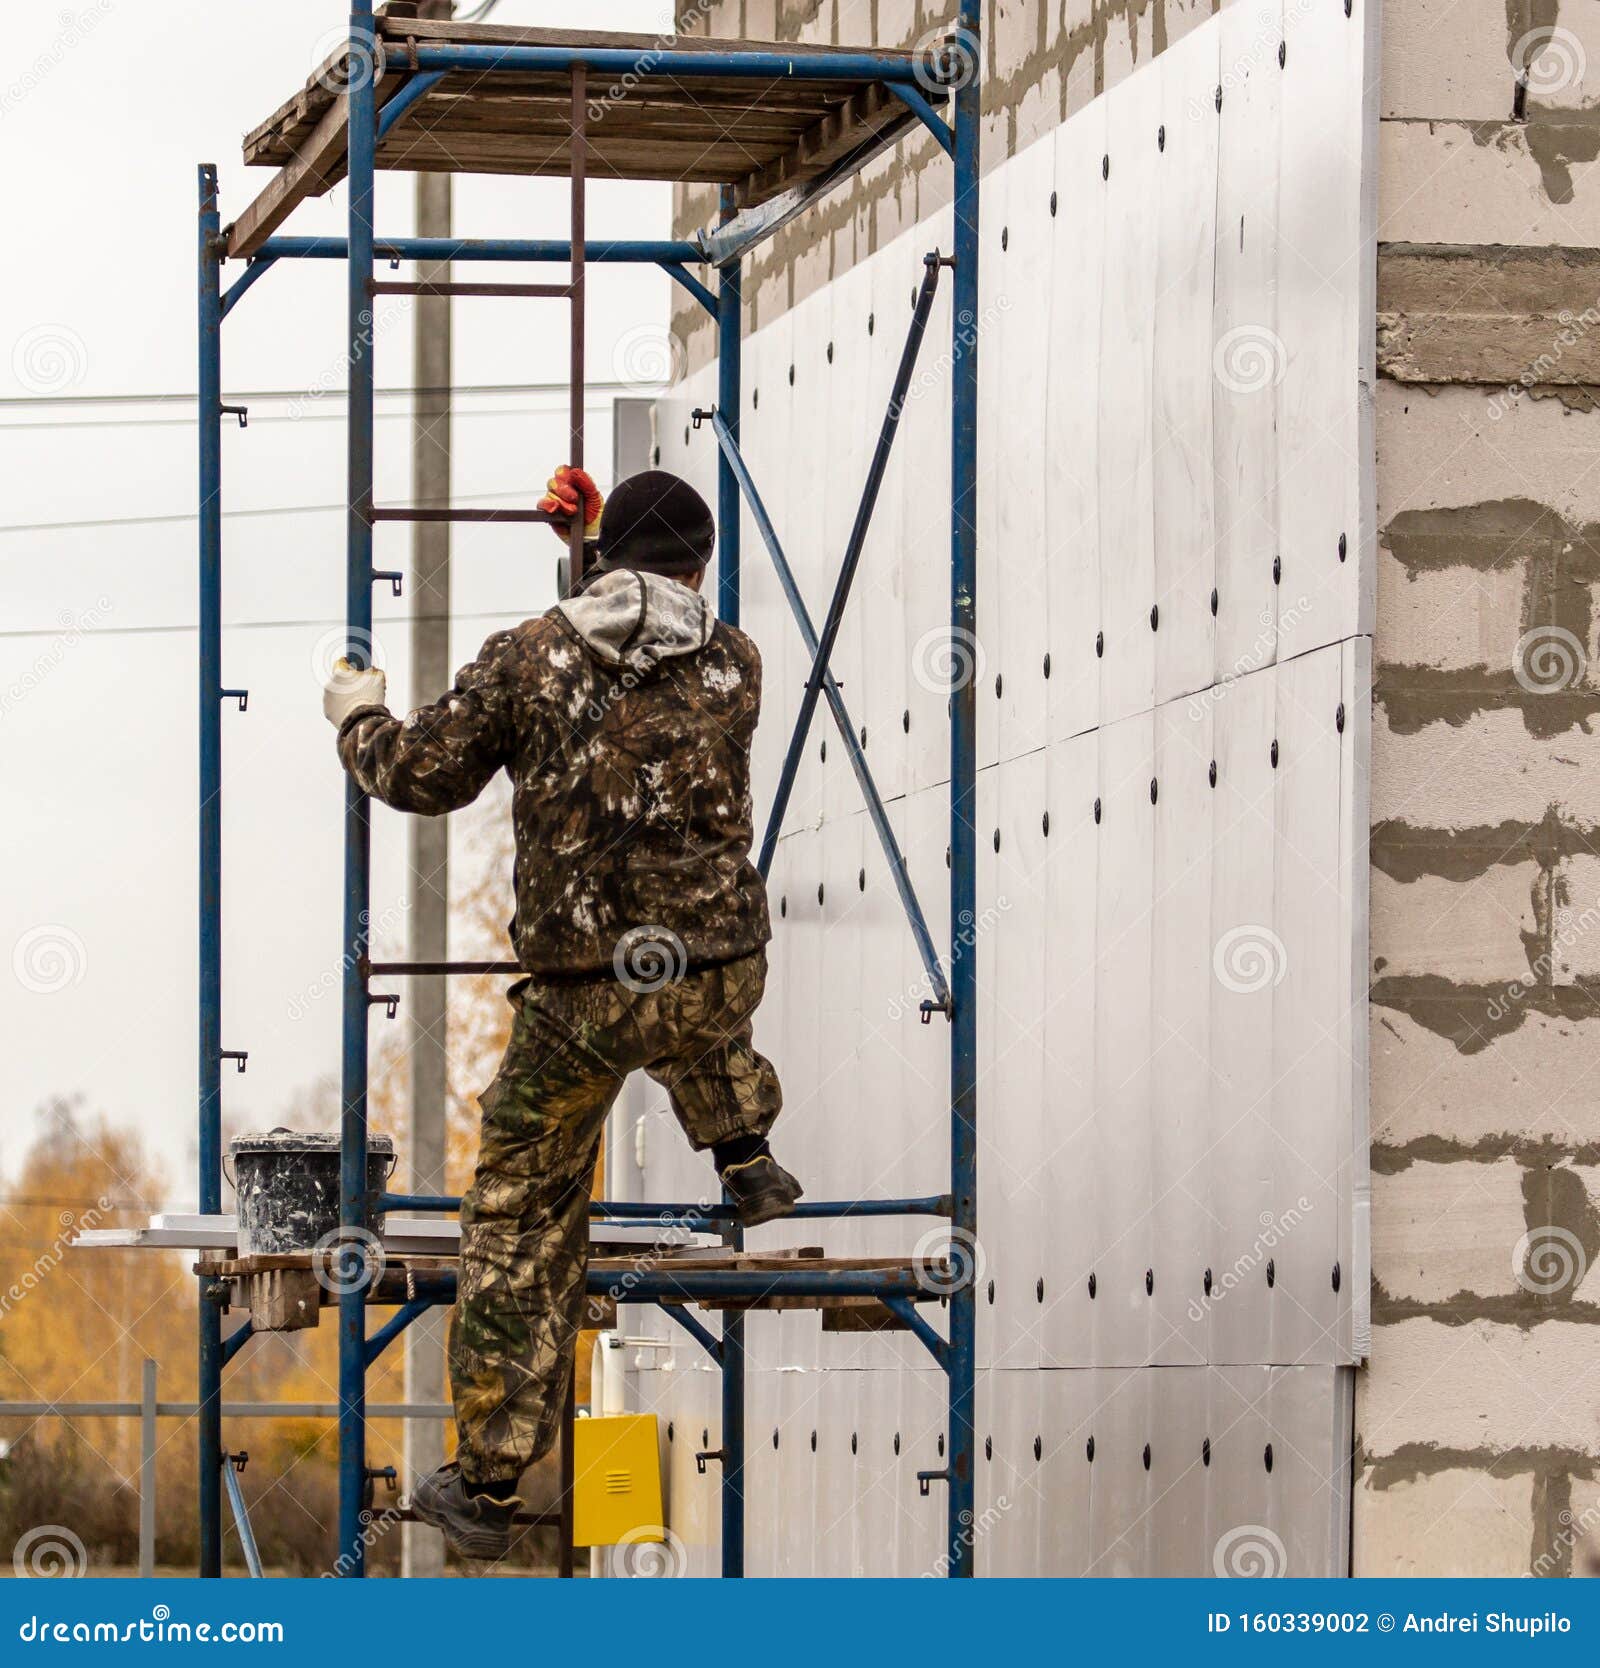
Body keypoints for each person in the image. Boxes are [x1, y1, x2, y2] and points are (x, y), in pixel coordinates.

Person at [321, 465, 802, 1558]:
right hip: (721, 969)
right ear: (701, 565)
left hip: (585, 997)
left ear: (607, 560)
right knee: (692, 993)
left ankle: (486, 1481)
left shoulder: (528, 657)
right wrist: (590, 544)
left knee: (522, 1218)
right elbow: (638, 644)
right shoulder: (737, 666)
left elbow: (421, 774)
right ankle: (745, 1150)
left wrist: (358, 719)